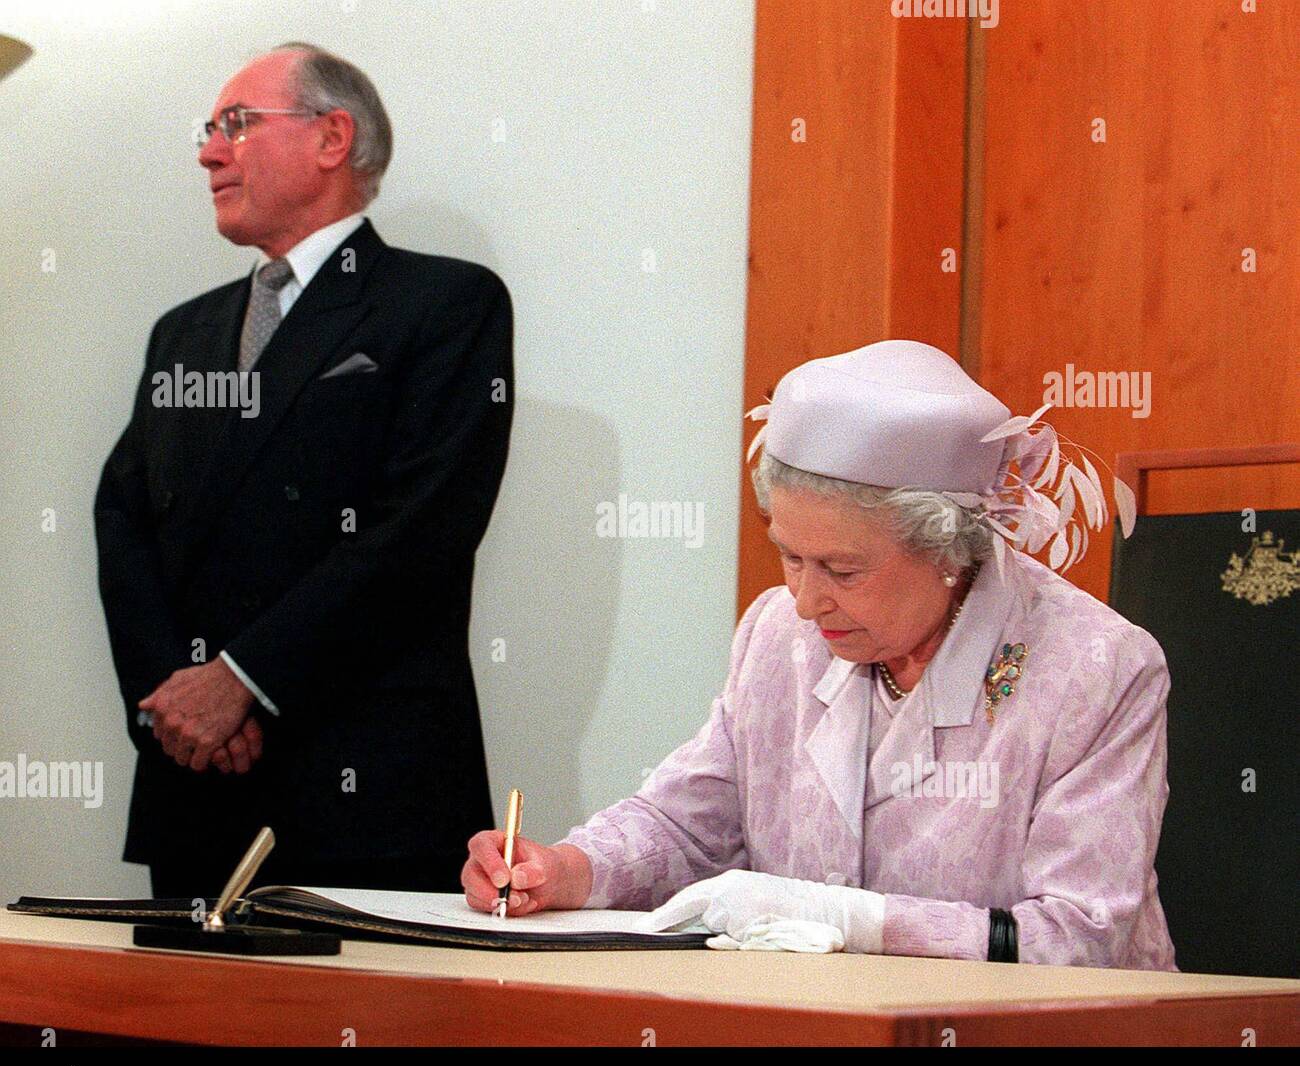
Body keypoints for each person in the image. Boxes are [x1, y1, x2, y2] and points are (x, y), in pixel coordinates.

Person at [462, 339, 1177, 970]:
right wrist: (566, 869)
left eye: (842, 570)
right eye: (789, 556)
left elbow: (1079, 938)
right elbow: (690, 823)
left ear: (949, 552)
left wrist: (851, 920)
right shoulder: (778, 633)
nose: (805, 602)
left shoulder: (1096, 668)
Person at [95, 43, 513, 898]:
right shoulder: (185, 333)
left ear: (332, 138)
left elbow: (418, 532)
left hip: (366, 800)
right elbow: (123, 523)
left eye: (237, 125)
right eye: (208, 131)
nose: (210, 151)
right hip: (198, 792)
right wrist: (176, 706)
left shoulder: (444, 305)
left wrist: (242, 679)